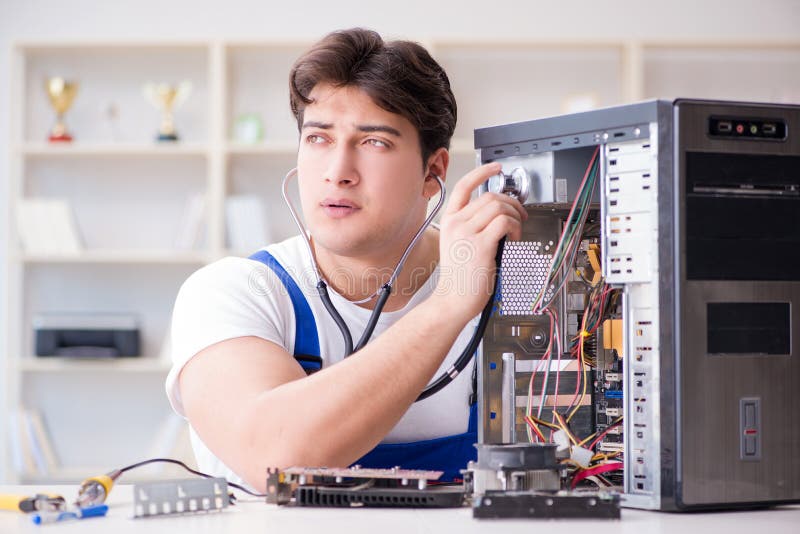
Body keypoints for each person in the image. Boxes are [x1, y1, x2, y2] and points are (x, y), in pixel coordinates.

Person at [165, 28, 526, 492]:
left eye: (374, 142)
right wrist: (450, 303)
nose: (338, 172)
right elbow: (274, 457)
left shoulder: (509, 287)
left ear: (432, 171)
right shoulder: (230, 292)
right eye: (318, 138)